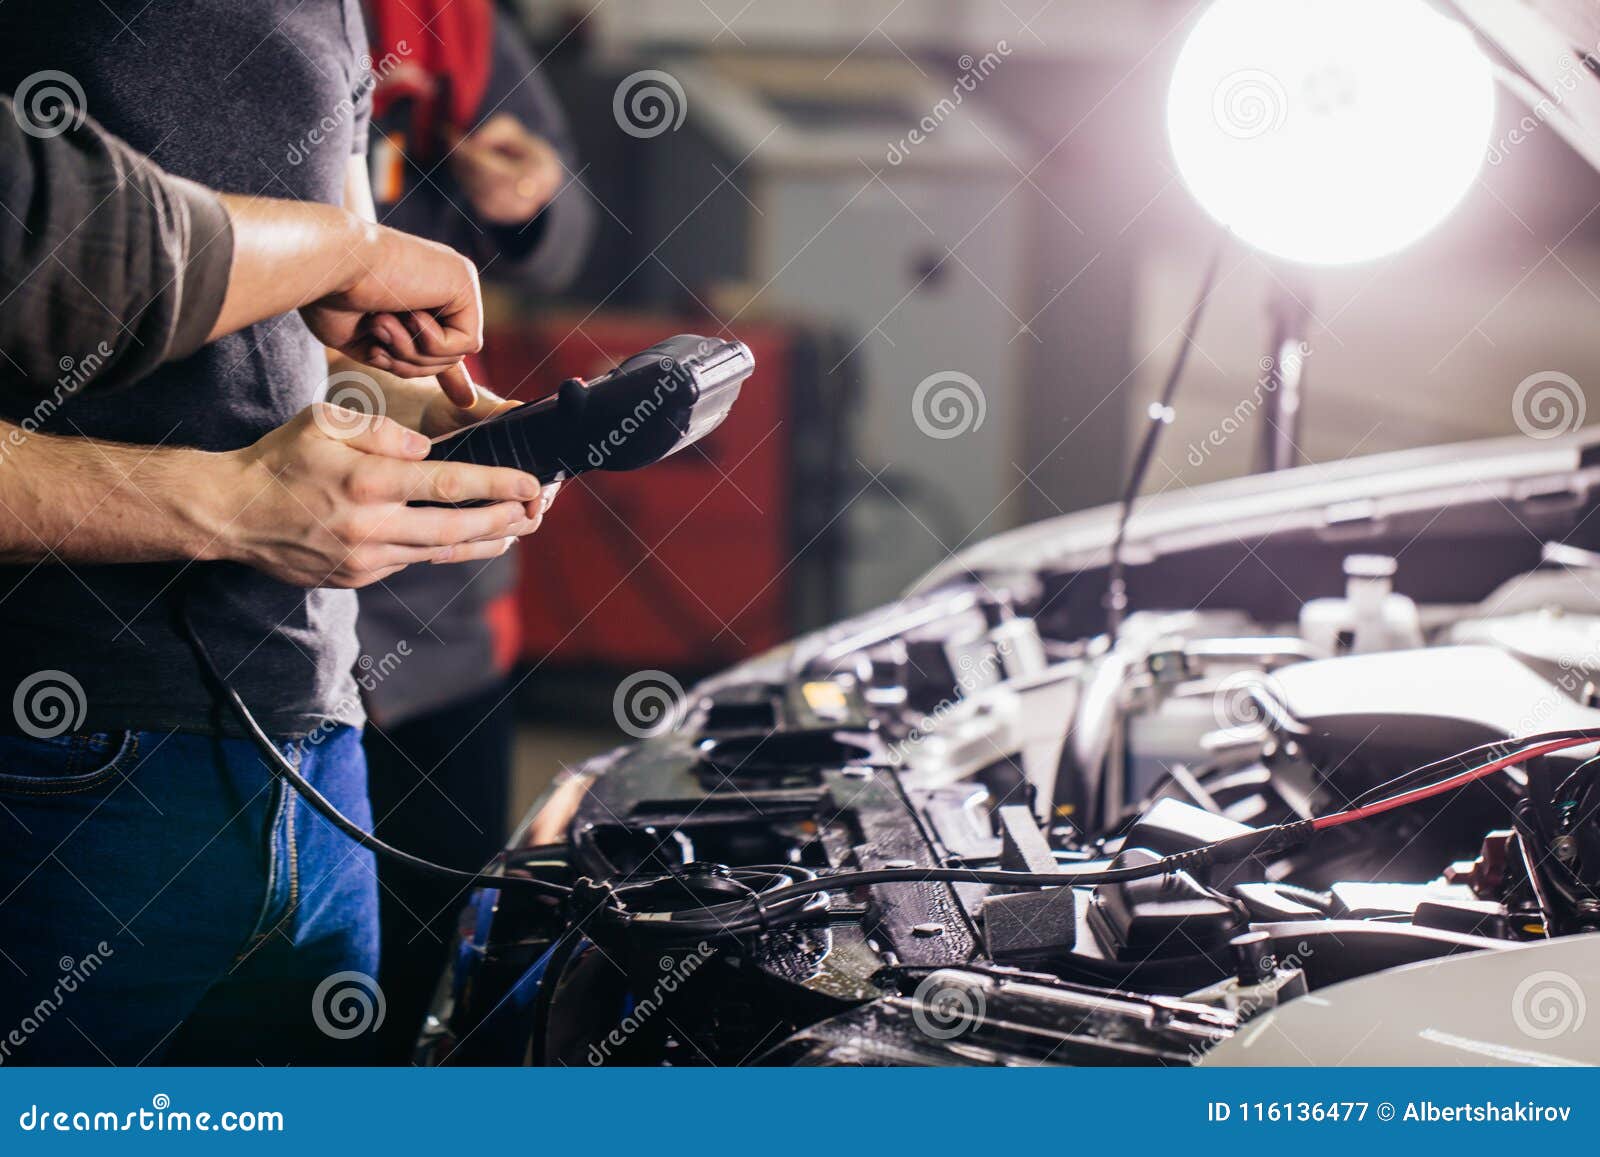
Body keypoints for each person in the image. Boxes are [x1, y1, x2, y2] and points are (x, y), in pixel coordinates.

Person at [0, 2, 543, 1065]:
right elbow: (70, 244)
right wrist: (228, 503)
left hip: (308, 742)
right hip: (57, 747)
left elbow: (282, 345)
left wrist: (409, 422)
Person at [352, 0, 595, 1061]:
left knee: (443, 947)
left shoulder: (460, 25)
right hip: (251, 606)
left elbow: (567, 229)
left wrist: (528, 195)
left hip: (440, 616)